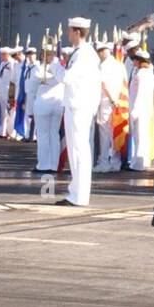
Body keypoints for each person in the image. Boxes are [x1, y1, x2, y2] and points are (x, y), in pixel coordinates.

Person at [59, 18, 101, 206]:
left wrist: (53, 64)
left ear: (77, 32)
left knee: (79, 150)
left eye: (70, 31)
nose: (68, 34)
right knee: (76, 150)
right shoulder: (84, 53)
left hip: (79, 106)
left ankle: (80, 196)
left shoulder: (83, 54)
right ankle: (75, 192)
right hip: (77, 105)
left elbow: (68, 78)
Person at [94, 42, 127, 173]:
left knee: (105, 134)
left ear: (102, 52)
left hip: (107, 101)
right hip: (119, 102)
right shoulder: (120, 65)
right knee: (116, 132)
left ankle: (103, 162)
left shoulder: (103, 66)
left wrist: (112, 99)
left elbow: (103, 85)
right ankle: (115, 161)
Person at [33, 43, 66, 172]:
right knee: (54, 135)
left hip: (43, 103)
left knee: (43, 134)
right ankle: (53, 165)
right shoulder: (61, 68)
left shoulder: (39, 67)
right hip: (57, 104)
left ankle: (43, 164)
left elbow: (36, 81)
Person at [127, 48, 154, 171]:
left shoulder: (142, 74)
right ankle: (140, 162)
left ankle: (139, 164)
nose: (133, 62)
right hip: (144, 108)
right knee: (141, 136)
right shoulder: (148, 73)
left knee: (139, 137)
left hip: (139, 108)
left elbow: (140, 94)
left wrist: (135, 111)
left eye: (135, 60)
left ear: (140, 61)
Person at [0, 48, 17, 138]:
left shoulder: (12, 63)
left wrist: (12, 93)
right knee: (3, 113)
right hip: (2, 91)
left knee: (10, 112)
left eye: (3, 54)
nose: (1, 56)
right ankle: (3, 132)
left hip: (9, 91)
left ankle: (11, 132)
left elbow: (13, 79)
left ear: (8, 54)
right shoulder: (2, 64)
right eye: (1, 54)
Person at [20, 47, 39, 142]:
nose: (30, 57)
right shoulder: (27, 67)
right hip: (28, 93)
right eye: (28, 55)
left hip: (35, 94)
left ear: (35, 55)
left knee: (35, 115)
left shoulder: (38, 67)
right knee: (27, 115)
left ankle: (34, 135)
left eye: (31, 55)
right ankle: (28, 134)